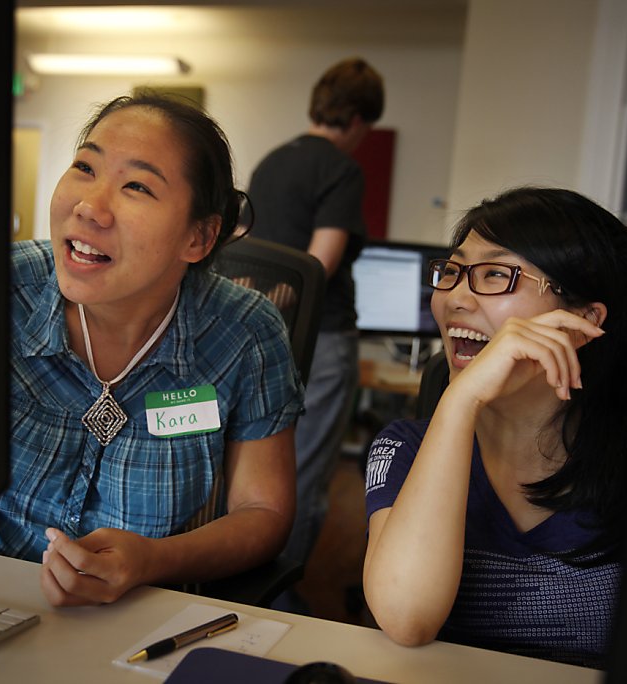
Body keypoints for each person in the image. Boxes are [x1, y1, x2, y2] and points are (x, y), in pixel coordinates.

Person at [0, 93, 305, 607]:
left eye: (136, 185)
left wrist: (156, 560)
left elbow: (263, 513)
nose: (89, 205)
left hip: (113, 620)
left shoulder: (244, 336)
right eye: (84, 167)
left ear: (199, 238)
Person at [362, 187, 627, 668]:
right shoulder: (404, 446)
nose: (455, 298)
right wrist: (460, 401)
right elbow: (407, 617)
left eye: (496, 274)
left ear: (582, 320)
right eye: (452, 272)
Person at [245, 57, 385, 587]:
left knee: (258, 467)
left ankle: (248, 576)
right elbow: (317, 265)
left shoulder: (271, 163)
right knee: (304, 473)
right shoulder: (341, 169)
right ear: (359, 120)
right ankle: (280, 592)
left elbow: (243, 250)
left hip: (261, 337)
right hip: (321, 337)